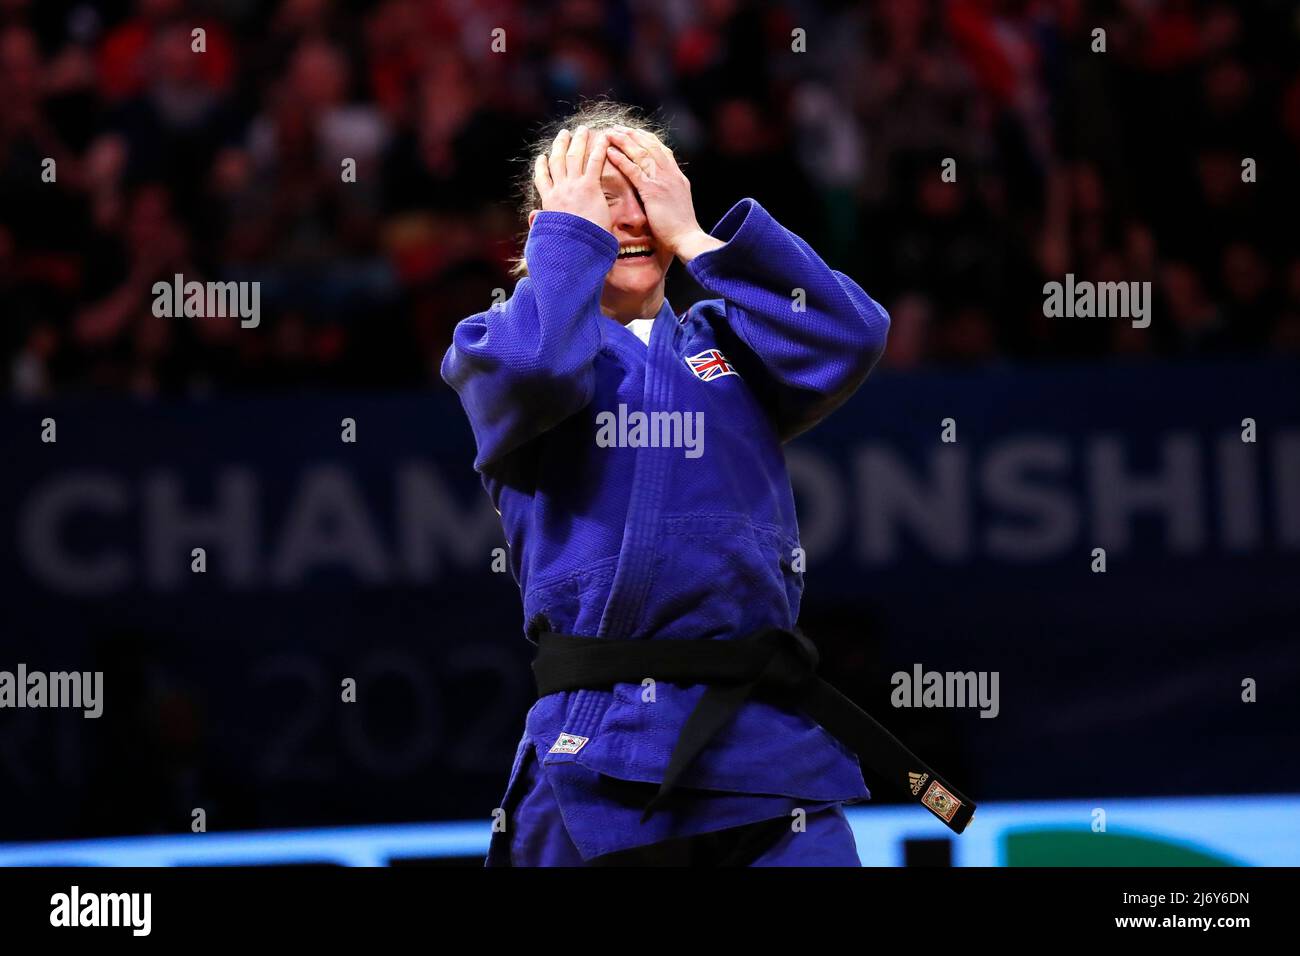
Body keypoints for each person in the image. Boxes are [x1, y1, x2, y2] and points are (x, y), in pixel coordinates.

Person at [442, 101, 894, 866]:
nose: (630, 217)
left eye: (647, 192)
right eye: (600, 199)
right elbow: (539, 367)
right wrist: (570, 240)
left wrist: (698, 240)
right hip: (602, 747)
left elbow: (852, 335)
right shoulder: (496, 346)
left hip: (766, 746)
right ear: (549, 228)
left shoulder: (731, 346)